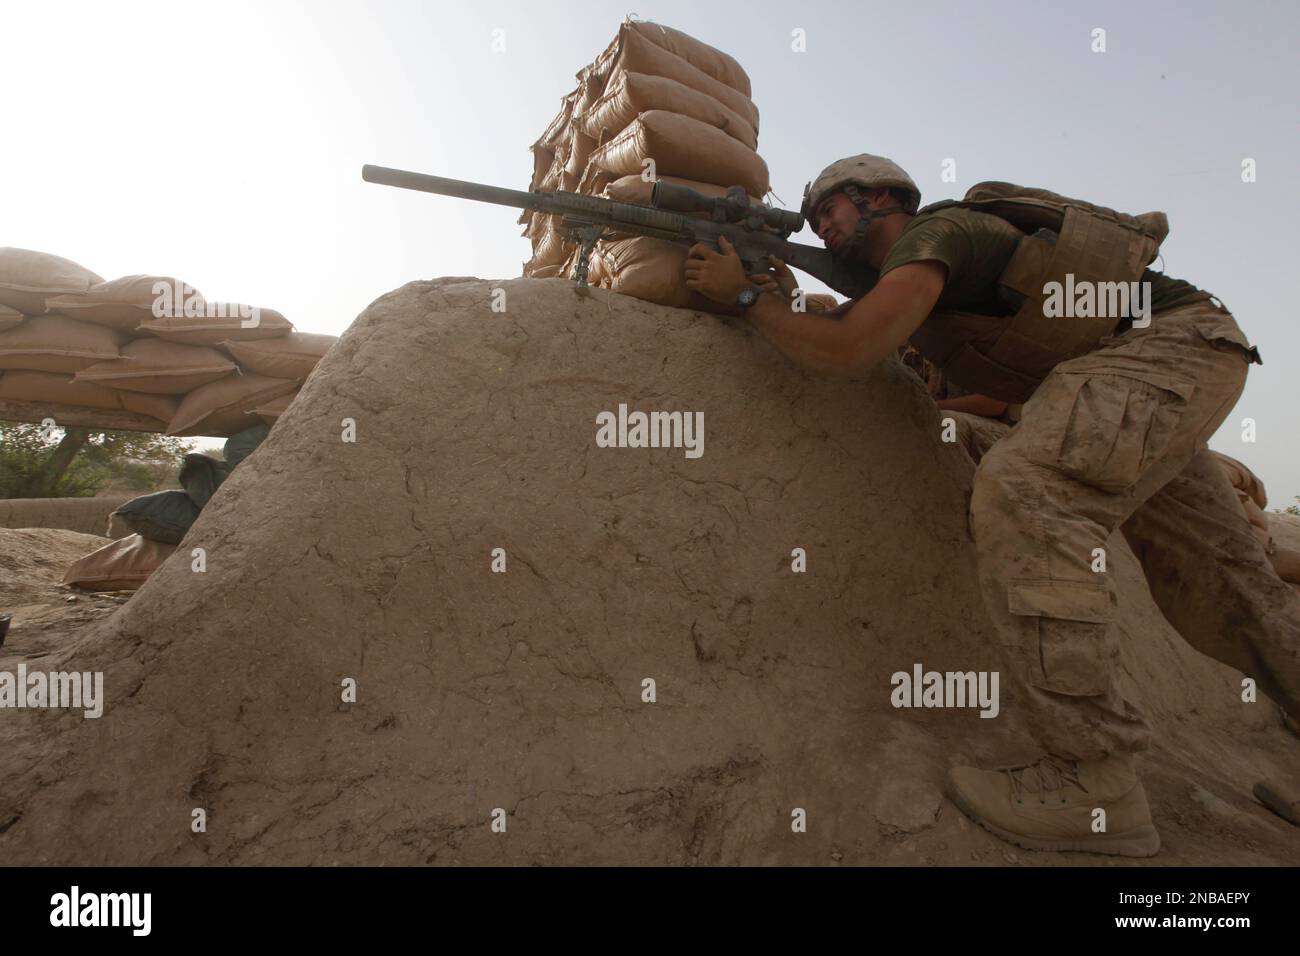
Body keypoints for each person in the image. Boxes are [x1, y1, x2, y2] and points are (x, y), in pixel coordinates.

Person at [683, 154, 1300, 857]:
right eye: (817, 217)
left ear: (882, 198)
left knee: (1025, 492)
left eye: (833, 209)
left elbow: (850, 347)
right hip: (1170, 358)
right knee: (1225, 585)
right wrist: (763, 288)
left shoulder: (934, 236)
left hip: (1166, 347)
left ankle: (1093, 781)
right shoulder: (911, 277)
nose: (822, 226)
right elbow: (837, 322)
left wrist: (745, 299)